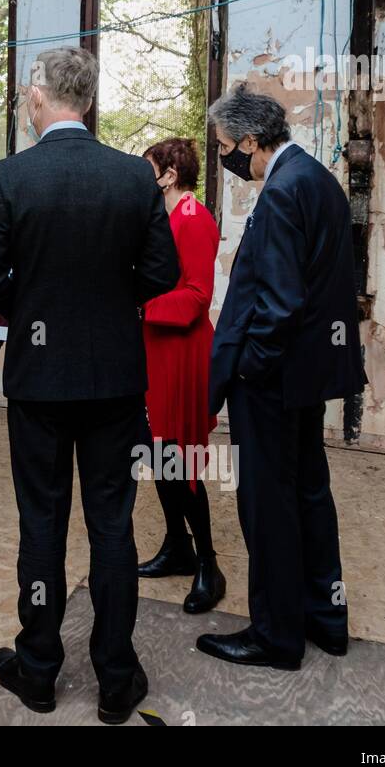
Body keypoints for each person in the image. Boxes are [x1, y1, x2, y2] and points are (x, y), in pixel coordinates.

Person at [0, 47, 179, 724]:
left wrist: (38, 311)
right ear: (87, 102)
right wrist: (110, 308)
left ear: (39, 97)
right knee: (112, 526)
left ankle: (38, 671)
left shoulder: (10, 176)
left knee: (42, 523)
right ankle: (116, 681)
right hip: (115, 379)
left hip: (39, 382)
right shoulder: (133, 176)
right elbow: (162, 273)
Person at [198, 83, 365, 670]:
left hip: (273, 381)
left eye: (225, 147)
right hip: (308, 377)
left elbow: (279, 304)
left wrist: (249, 368)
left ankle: (275, 636)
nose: (224, 158)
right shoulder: (317, 179)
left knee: (267, 505)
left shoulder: (281, 192)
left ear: (250, 140)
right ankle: (326, 620)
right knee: (309, 493)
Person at [137, 137, 224, 614]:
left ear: (169, 175)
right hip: (158, 349)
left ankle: (208, 562)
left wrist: (141, 307)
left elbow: (197, 295)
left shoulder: (193, 219)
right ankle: (177, 546)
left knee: (179, 458)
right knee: (158, 452)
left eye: (148, 168)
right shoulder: (167, 217)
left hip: (182, 352)